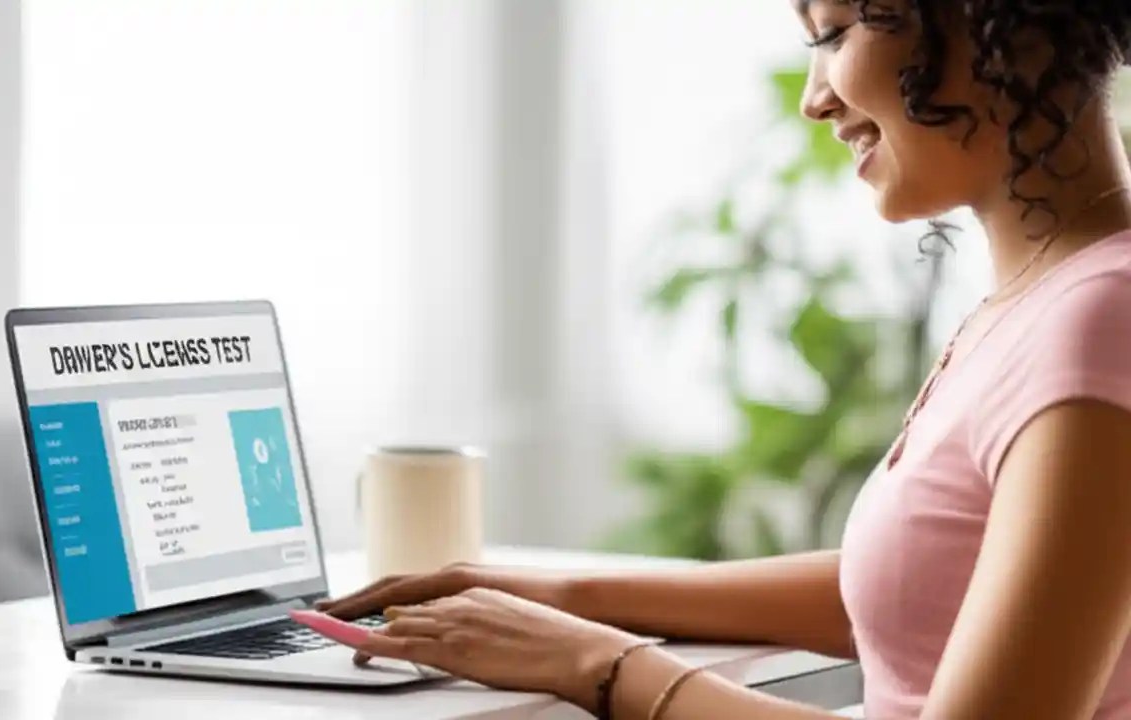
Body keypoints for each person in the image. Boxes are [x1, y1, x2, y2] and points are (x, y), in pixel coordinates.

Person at [319, 2, 1131, 717]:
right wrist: (563, 595)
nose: (816, 98)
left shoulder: (1099, 318)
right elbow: (929, 586)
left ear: (996, 21)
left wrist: (594, 664)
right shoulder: (1055, 297)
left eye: (835, 32)